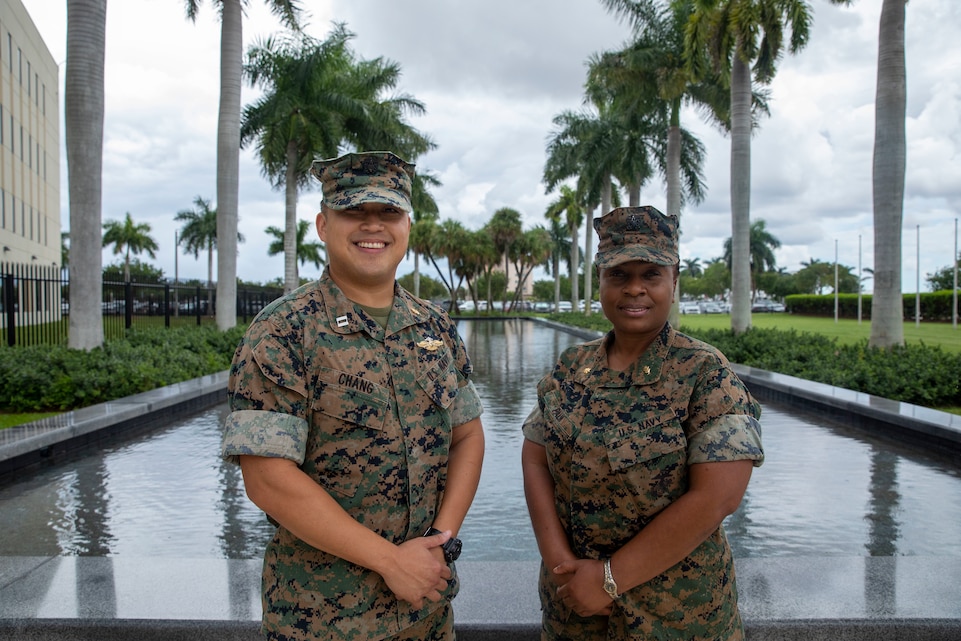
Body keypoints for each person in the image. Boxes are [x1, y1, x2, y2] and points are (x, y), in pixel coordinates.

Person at [222, 151, 485, 641]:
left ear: (407, 225)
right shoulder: (283, 331)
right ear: (323, 224)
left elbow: (467, 436)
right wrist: (390, 561)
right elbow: (267, 479)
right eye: (353, 212)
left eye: (388, 212)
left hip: (427, 613)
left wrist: (439, 540)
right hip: (322, 620)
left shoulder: (435, 328)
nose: (373, 226)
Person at [521, 206, 764, 640]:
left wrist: (609, 579)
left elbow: (718, 497)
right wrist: (563, 568)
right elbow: (536, 458)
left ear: (674, 281)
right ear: (600, 281)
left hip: (675, 619)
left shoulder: (704, 372)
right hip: (573, 616)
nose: (634, 289)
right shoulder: (571, 366)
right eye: (618, 275)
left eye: (650, 275)